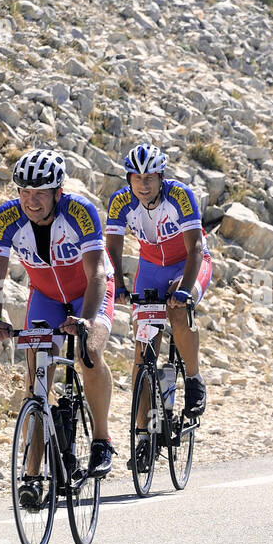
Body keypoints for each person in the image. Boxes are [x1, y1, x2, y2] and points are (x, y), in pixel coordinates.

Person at [0, 149, 116, 493]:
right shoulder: (6, 218)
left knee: (89, 351)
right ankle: (32, 476)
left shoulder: (80, 212)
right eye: (25, 192)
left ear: (58, 192)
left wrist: (86, 320)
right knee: (36, 382)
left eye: (40, 192)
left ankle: (102, 439)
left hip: (88, 291)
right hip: (45, 297)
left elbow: (98, 272)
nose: (31, 200)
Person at [104, 143, 213, 474]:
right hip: (150, 267)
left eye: (150, 178)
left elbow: (195, 247)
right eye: (137, 178)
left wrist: (182, 291)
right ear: (130, 179)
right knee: (143, 353)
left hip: (189, 264)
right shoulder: (121, 202)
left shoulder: (180, 196)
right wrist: (120, 287)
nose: (144, 185)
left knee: (179, 312)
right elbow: (112, 246)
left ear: (160, 177)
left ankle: (193, 379)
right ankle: (143, 435)